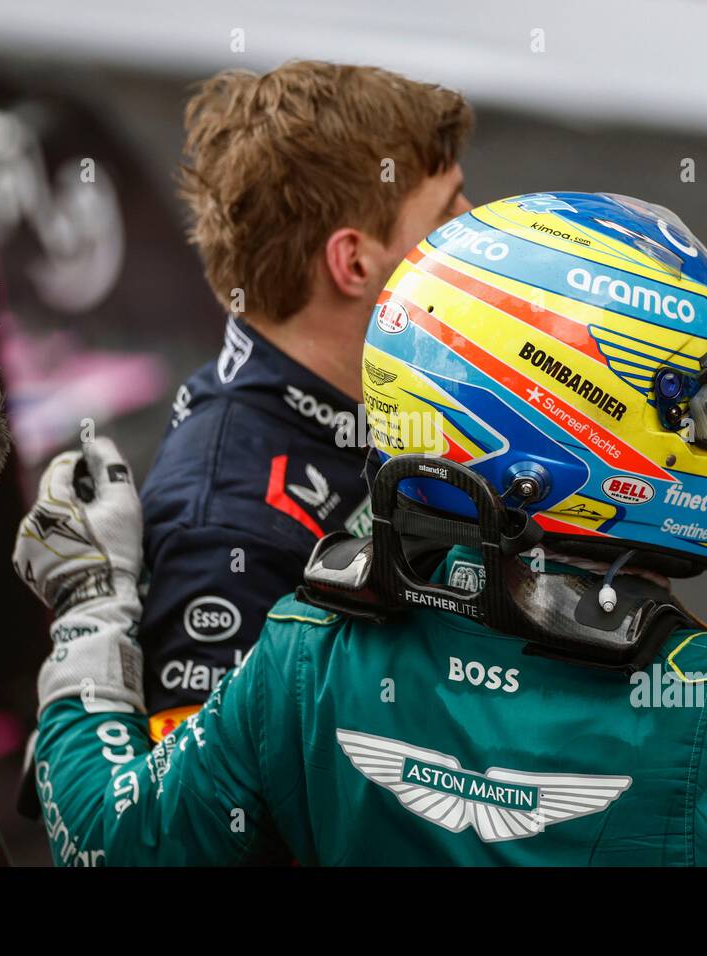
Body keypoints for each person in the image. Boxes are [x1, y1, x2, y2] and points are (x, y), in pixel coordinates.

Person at [14, 192, 707, 865]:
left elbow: (117, 842)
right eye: (705, 411)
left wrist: (91, 599)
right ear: (577, 432)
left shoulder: (305, 659)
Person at [137, 61, 473, 740]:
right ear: (353, 263)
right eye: (446, 215)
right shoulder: (226, 528)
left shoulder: (393, 388)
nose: (476, 230)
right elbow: (202, 827)